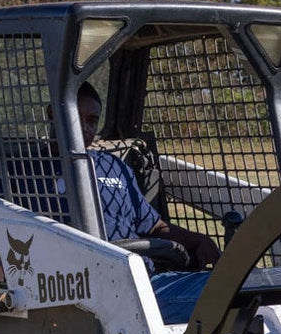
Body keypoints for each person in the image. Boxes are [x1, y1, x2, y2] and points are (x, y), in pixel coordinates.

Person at [77, 82, 221, 270]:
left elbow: (154, 227)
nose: (85, 128)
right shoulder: (39, 170)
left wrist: (198, 240)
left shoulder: (113, 166)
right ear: (52, 114)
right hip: (88, 276)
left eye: (92, 121)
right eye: (77, 117)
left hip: (144, 273)